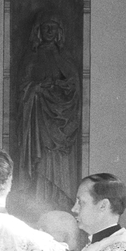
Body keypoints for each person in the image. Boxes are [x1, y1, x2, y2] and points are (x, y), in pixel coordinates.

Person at [15, 15, 81, 210]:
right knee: (41, 162)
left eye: (53, 27)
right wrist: (38, 88)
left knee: (57, 164)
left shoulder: (65, 60)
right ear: (39, 31)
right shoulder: (32, 59)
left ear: (59, 31)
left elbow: (73, 89)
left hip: (60, 124)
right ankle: (38, 201)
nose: (50, 31)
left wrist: (58, 89)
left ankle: (58, 200)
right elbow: (24, 90)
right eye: (46, 27)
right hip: (38, 123)